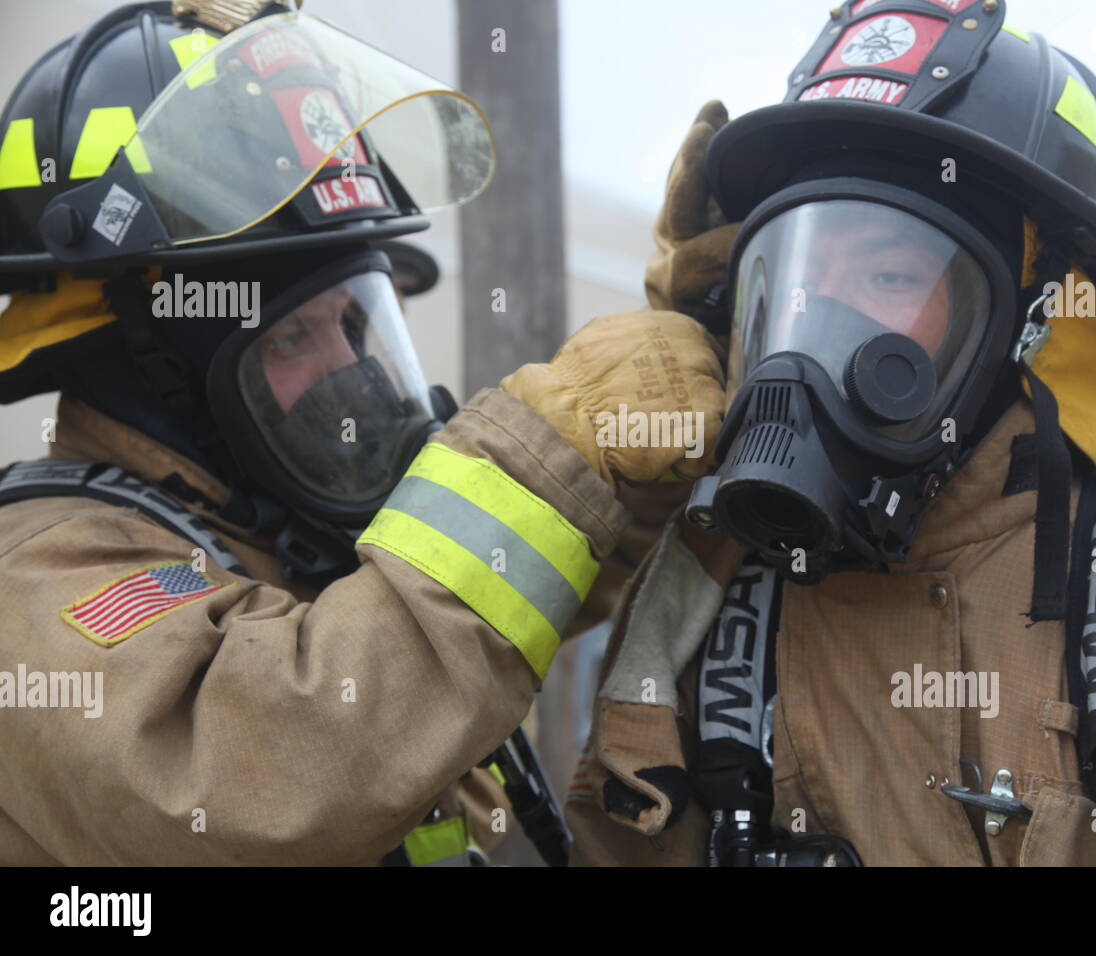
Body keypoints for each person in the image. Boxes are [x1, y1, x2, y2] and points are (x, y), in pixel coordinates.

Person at [560, 1, 1096, 866]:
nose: (813, 320)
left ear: (1028, 321)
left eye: (885, 272)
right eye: (794, 271)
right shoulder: (706, 600)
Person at [0, 1, 720, 865]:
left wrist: (679, 384)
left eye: (356, 324)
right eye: (297, 335)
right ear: (147, 362)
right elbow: (278, 772)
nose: (355, 373)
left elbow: (486, 601)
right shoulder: (39, 576)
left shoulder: (274, 529)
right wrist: (546, 451)